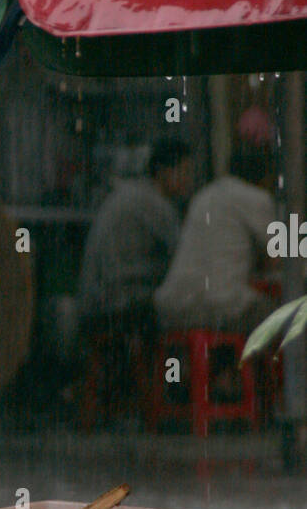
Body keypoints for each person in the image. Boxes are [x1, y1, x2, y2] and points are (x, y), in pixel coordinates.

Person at [76, 137, 194, 416]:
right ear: (164, 171)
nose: (189, 180)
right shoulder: (153, 204)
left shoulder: (130, 194)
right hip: (113, 305)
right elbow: (184, 255)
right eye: (185, 172)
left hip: (97, 302)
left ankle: (154, 401)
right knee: (185, 312)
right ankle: (170, 402)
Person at [155, 112, 276, 332]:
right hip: (220, 305)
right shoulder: (257, 198)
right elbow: (277, 257)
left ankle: (221, 365)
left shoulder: (205, 194)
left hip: (173, 306)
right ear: (263, 175)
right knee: (288, 316)